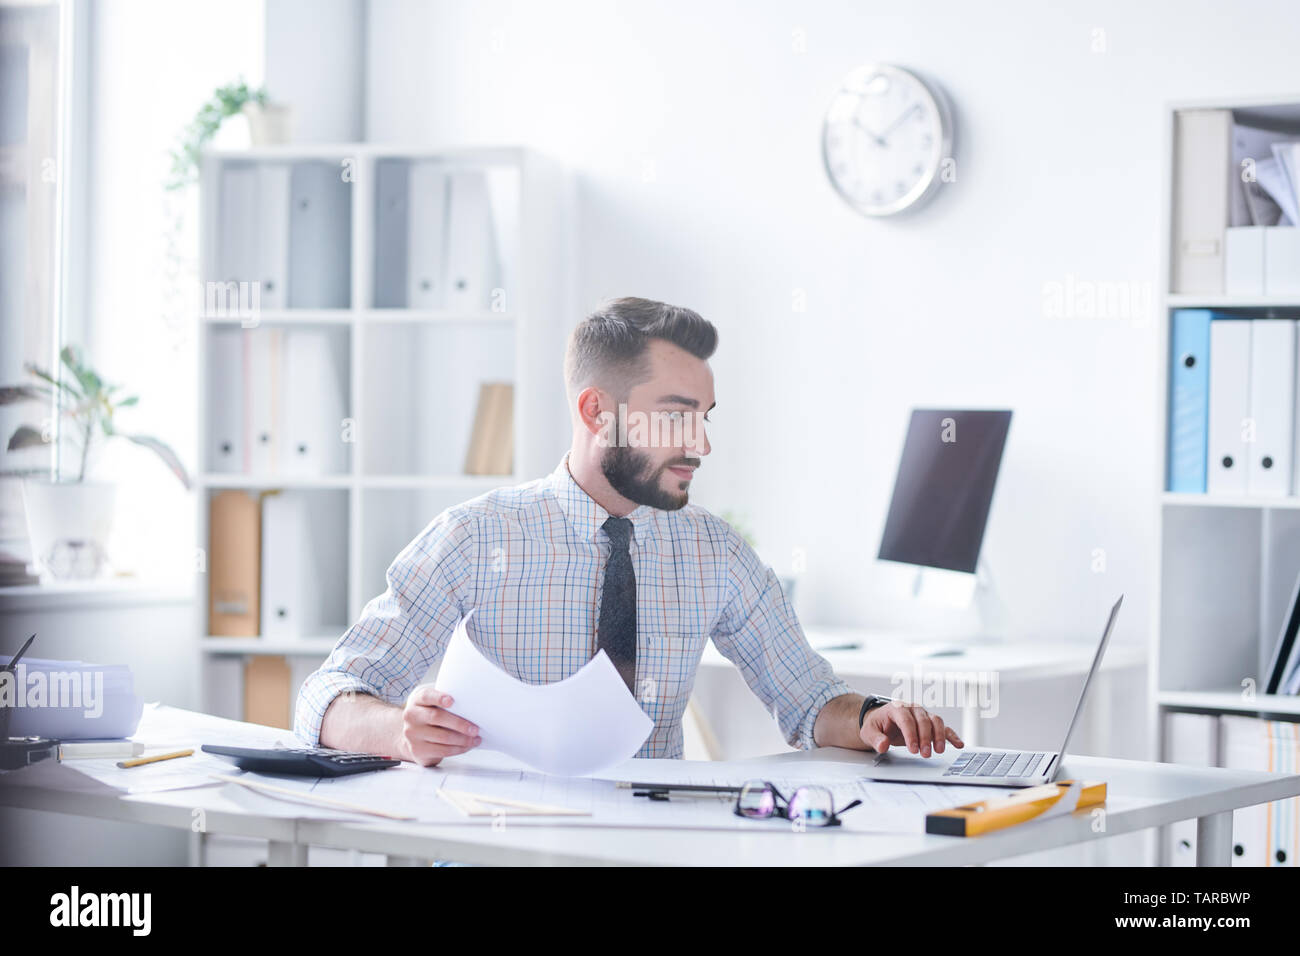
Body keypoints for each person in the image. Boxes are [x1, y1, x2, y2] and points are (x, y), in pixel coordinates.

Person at [295, 296, 963, 767]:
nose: (699, 442)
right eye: (676, 416)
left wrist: (872, 716)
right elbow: (324, 698)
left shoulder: (714, 552)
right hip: (495, 844)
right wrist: (399, 731)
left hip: (646, 846)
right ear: (596, 411)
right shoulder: (475, 537)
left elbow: (811, 702)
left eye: (704, 417)